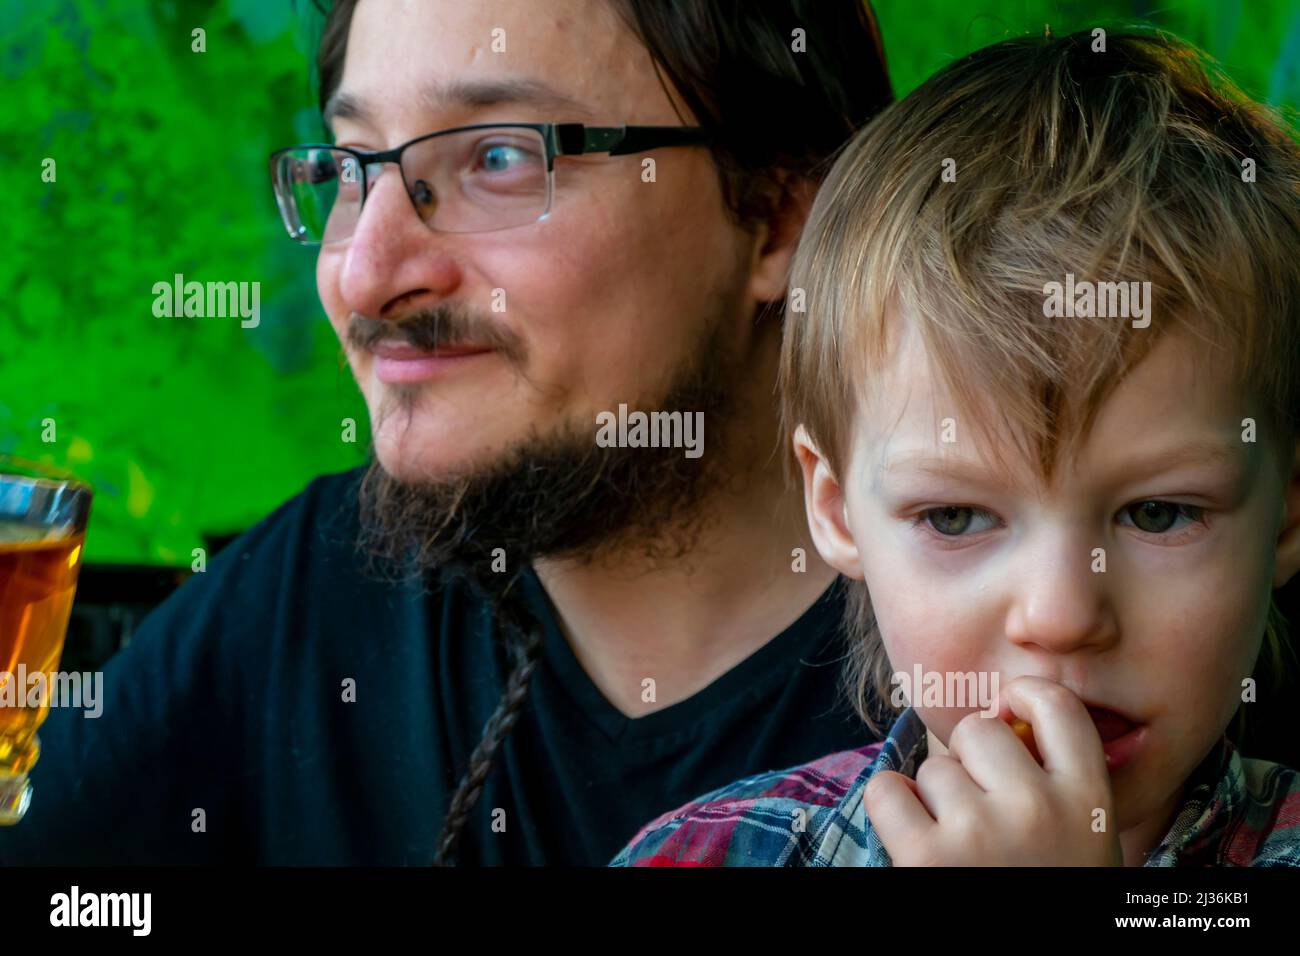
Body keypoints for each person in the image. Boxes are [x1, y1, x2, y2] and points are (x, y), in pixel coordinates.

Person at [0, 0, 893, 865]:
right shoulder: (311, 589)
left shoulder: (979, 693)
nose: (365, 273)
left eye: (499, 157)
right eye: (354, 168)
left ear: (779, 219)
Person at [613, 27, 1300, 867]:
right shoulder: (709, 854)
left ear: (1288, 514)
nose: (1060, 616)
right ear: (833, 509)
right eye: (957, 515)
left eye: (1158, 513)